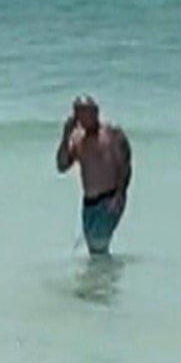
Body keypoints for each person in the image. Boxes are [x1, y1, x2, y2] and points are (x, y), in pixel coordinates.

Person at [55, 96, 132, 255]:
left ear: (96, 112)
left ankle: (101, 277)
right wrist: (65, 136)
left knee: (98, 247)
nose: (82, 118)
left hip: (109, 200)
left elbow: (125, 166)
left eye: (85, 112)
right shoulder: (77, 138)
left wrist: (120, 195)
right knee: (96, 250)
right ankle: (105, 277)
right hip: (89, 204)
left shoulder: (112, 134)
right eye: (78, 114)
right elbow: (62, 166)